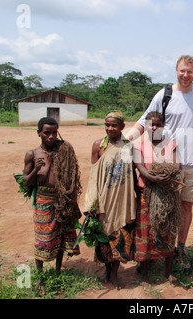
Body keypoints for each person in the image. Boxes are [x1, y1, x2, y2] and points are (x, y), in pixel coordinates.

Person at [128, 55, 193, 272]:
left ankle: (179, 248)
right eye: (182, 71)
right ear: (176, 71)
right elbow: (144, 120)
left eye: (189, 71)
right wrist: (124, 140)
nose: (185, 75)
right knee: (163, 205)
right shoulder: (164, 94)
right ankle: (157, 248)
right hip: (166, 163)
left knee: (186, 207)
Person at [22, 117, 82, 294]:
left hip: (62, 199)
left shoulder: (64, 149)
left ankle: (57, 271)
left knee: (62, 236)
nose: (50, 136)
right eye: (46, 132)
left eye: (54, 132)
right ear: (39, 132)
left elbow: (72, 175)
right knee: (43, 238)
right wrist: (35, 170)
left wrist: (71, 201)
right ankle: (40, 278)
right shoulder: (32, 154)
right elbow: (25, 182)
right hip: (43, 200)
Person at [83, 111, 137, 290]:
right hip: (105, 199)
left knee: (121, 238)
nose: (110, 128)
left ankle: (114, 273)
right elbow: (93, 176)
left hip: (124, 200)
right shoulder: (98, 145)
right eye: (107, 125)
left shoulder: (129, 146)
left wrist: (138, 195)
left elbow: (134, 175)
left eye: (114, 125)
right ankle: (107, 271)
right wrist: (91, 201)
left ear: (122, 127)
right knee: (105, 238)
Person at [133, 111, 180, 286]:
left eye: (158, 124)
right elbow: (140, 168)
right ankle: (144, 273)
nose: (154, 127)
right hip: (146, 195)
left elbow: (176, 165)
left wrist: (166, 175)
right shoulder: (138, 146)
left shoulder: (171, 145)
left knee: (168, 231)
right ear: (145, 126)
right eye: (150, 124)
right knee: (145, 233)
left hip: (167, 196)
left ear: (163, 126)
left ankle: (168, 270)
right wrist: (153, 178)